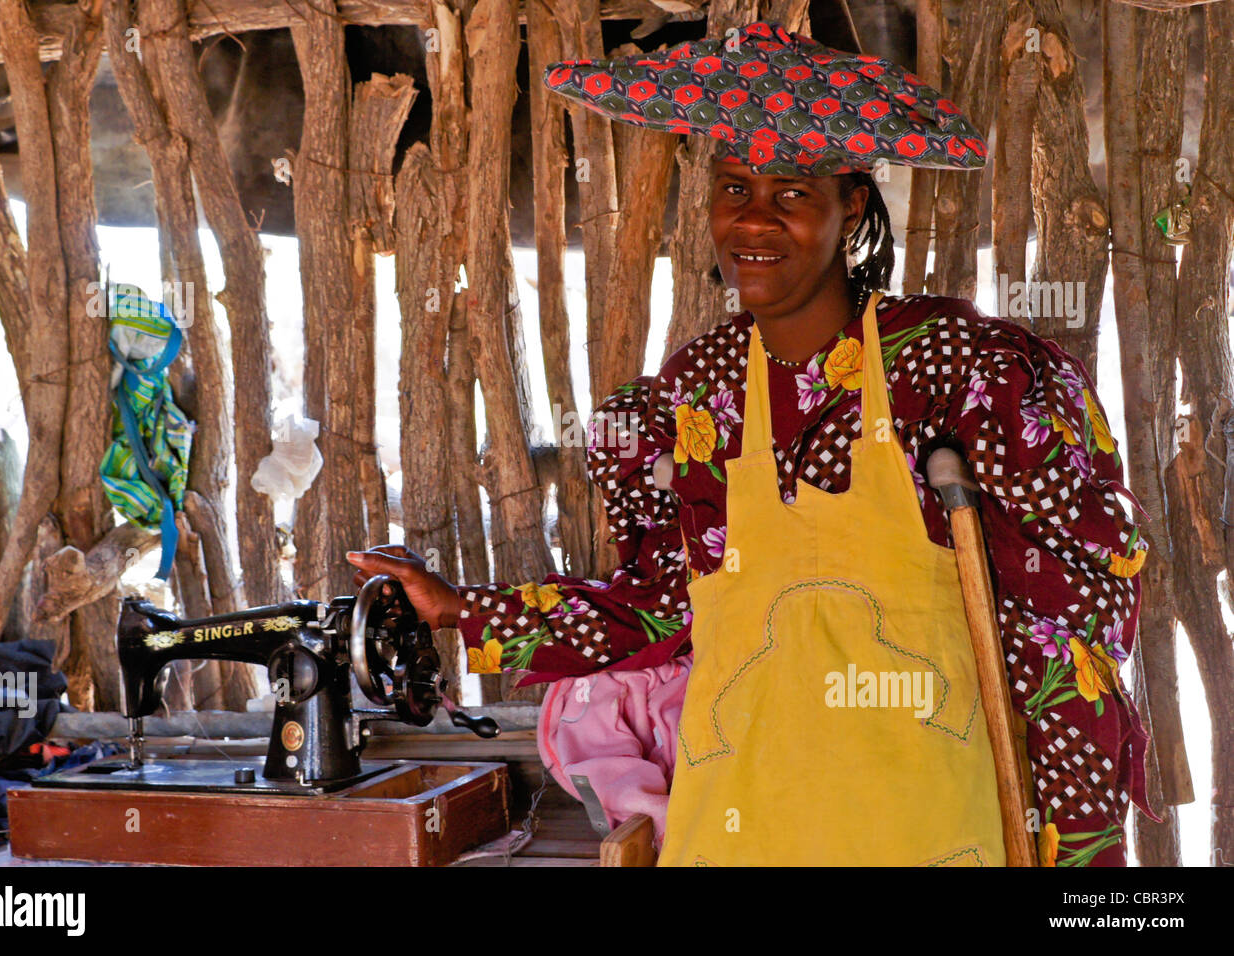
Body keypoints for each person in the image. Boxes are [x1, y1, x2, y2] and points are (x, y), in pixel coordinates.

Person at [348, 21, 1156, 865]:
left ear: (851, 205)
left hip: (924, 829)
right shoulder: (706, 388)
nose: (755, 222)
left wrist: (1076, 860)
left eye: (793, 194)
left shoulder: (956, 370)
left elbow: (1068, 628)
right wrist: (460, 609)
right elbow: (666, 607)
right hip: (740, 821)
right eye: (733, 189)